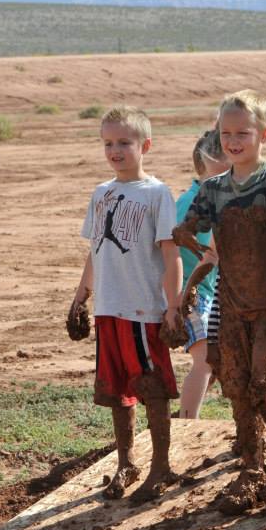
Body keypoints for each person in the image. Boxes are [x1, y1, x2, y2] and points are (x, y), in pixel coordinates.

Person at [174, 90, 266, 515]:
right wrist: (188, 241)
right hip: (230, 304)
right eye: (226, 133)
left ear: (263, 134)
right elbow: (195, 233)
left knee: (265, 381)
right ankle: (251, 467)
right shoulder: (213, 188)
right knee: (236, 384)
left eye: (242, 133)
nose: (233, 141)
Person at [67, 106, 184, 502]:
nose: (115, 150)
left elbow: (171, 254)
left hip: (142, 309)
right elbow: (95, 250)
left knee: (151, 387)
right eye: (108, 143)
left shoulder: (156, 193)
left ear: (145, 145)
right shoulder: (101, 193)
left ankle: (162, 466)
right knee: (117, 390)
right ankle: (127, 461)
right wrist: (81, 295)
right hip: (109, 308)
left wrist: (173, 305)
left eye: (124, 142)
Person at [177, 130, 228, 419]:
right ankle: (186, 423)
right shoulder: (194, 204)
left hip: (206, 293)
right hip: (193, 293)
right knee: (206, 361)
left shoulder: (191, 199)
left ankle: (185, 414)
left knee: (213, 362)